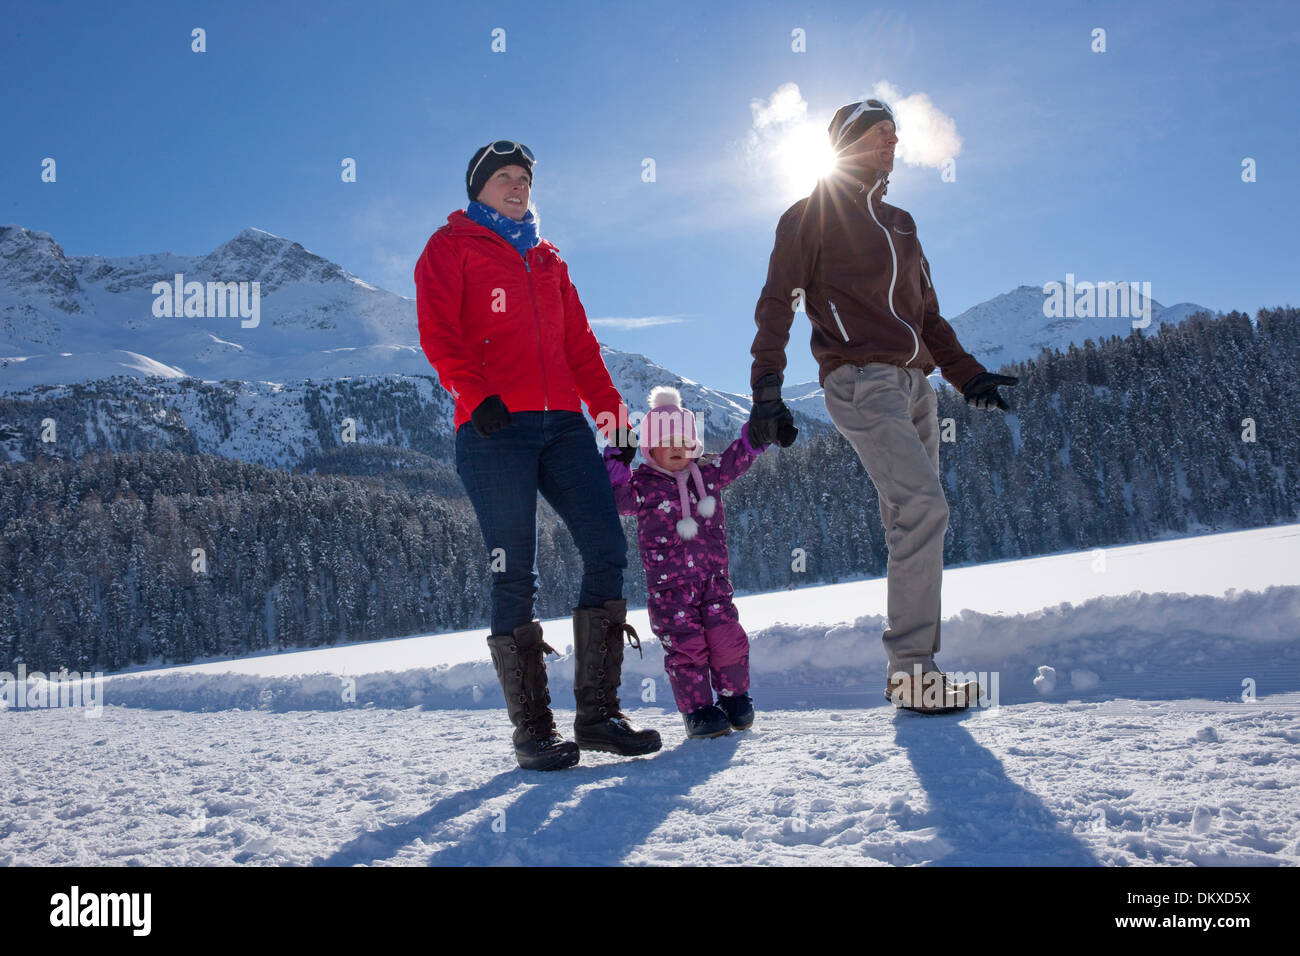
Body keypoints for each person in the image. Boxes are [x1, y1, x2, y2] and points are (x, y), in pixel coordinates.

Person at [746, 100, 1019, 714]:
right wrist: (767, 387)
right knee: (924, 506)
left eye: (895, 135)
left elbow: (927, 315)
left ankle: (911, 676)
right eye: (877, 135)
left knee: (910, 519)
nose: (891, 144)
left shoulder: (900, 222)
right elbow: (776, 302)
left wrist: (967, 376)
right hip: (859, 379)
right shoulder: (810, 216)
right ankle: (915, 672)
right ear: (846, 143)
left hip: (915, 384)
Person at [415, 140, 661, 769]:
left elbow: (580, 345)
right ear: (478, 188)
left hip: (565, 428)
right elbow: (438, 331)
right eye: (503, 176)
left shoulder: (550, 260)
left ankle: (599, 716)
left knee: (606, 546)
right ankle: (533, 730)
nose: (517, 185)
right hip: (494, 429)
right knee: (514, 568)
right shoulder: (450, 248)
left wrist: (613, 418)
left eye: (524, 177)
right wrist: (476, 394)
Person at [604, 386, 767, 738]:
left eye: (683, 441)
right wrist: (616, 461)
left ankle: (734, 698)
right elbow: (615, 499)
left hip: (714, 582)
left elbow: (737, 458)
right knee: (686, 648)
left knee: (727, 640)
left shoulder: (706, 474)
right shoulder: (643, 486)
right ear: (650, 449)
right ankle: (698, 711)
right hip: (671, 590)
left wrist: (757, 436)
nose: (677, 449)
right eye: (668, 443)